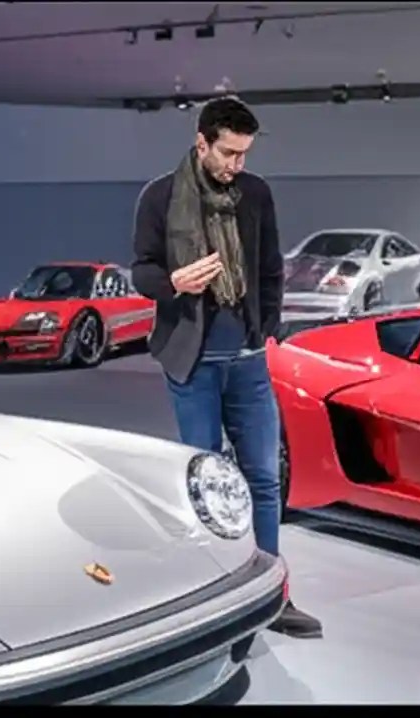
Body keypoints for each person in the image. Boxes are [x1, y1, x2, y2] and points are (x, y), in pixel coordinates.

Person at [129, 96, 323, 639]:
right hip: (192, 361)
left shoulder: (255, 194)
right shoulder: (160, 196)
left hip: (248, 360)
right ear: (202, 143)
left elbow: (271, 267)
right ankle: (214, 596)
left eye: (244, 154)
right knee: (205, 482)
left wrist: (267, 326)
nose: (237, 164)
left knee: (263, 476)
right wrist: (173, 282)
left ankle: (272, 594)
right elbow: (141, 269)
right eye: (229, 153)